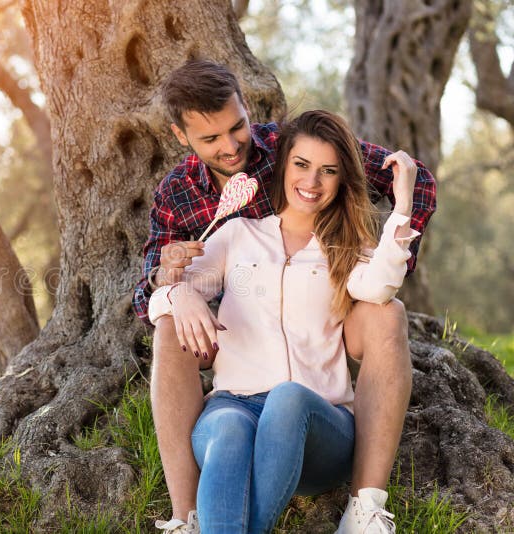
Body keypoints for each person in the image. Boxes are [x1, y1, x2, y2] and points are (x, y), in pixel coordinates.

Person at [133, 60, 436, 534]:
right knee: (215, 405)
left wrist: (365, 271)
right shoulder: (225, 227)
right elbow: (154, 287)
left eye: (237, 128)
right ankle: (185, 518)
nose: (231, 146)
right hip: (236, 394)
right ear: (181, 136)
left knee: (363, 330)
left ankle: (364, 510)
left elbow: (383, 272)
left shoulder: (294, 155)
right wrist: (176, 290)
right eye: (211, 139)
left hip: (314, 400)